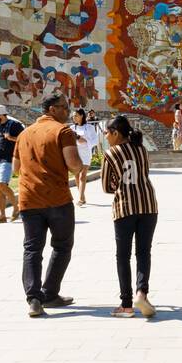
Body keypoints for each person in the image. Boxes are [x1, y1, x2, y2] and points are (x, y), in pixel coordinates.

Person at [14, 94, 86, 317]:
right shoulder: (62, 131)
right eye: (65, 108)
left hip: (29, 199)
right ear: (53, 109)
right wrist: (81, 166)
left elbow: (16, 168)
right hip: (57, 199)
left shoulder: (24, 134)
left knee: (32, 249)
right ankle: (51, 293)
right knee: (62, 246)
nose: (68, 112)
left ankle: (34, 298)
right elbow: (73, 164)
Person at [101, 116, 159, 318]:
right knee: (144, 252)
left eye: (106, 133)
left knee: (123, 255)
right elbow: (144, 173)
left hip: (124, 207)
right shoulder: (141, 149)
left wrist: (119, 183)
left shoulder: (110, 154)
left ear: (116, 132)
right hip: (148, 205)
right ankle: (141, 292)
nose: (106, 137)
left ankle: (126, 304)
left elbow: (107, 187)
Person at [71, 108, 100, 206]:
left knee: (83, 175)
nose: (74, 117)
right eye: (73, 116)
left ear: (81, 116)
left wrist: (85, 140)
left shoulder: (90, 128)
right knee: (76, 176)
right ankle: (82, 196)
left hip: (86, 153)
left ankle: (80, 198)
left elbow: (95, 140)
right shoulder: (71, 128)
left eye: (76, 115)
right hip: (75, 153)